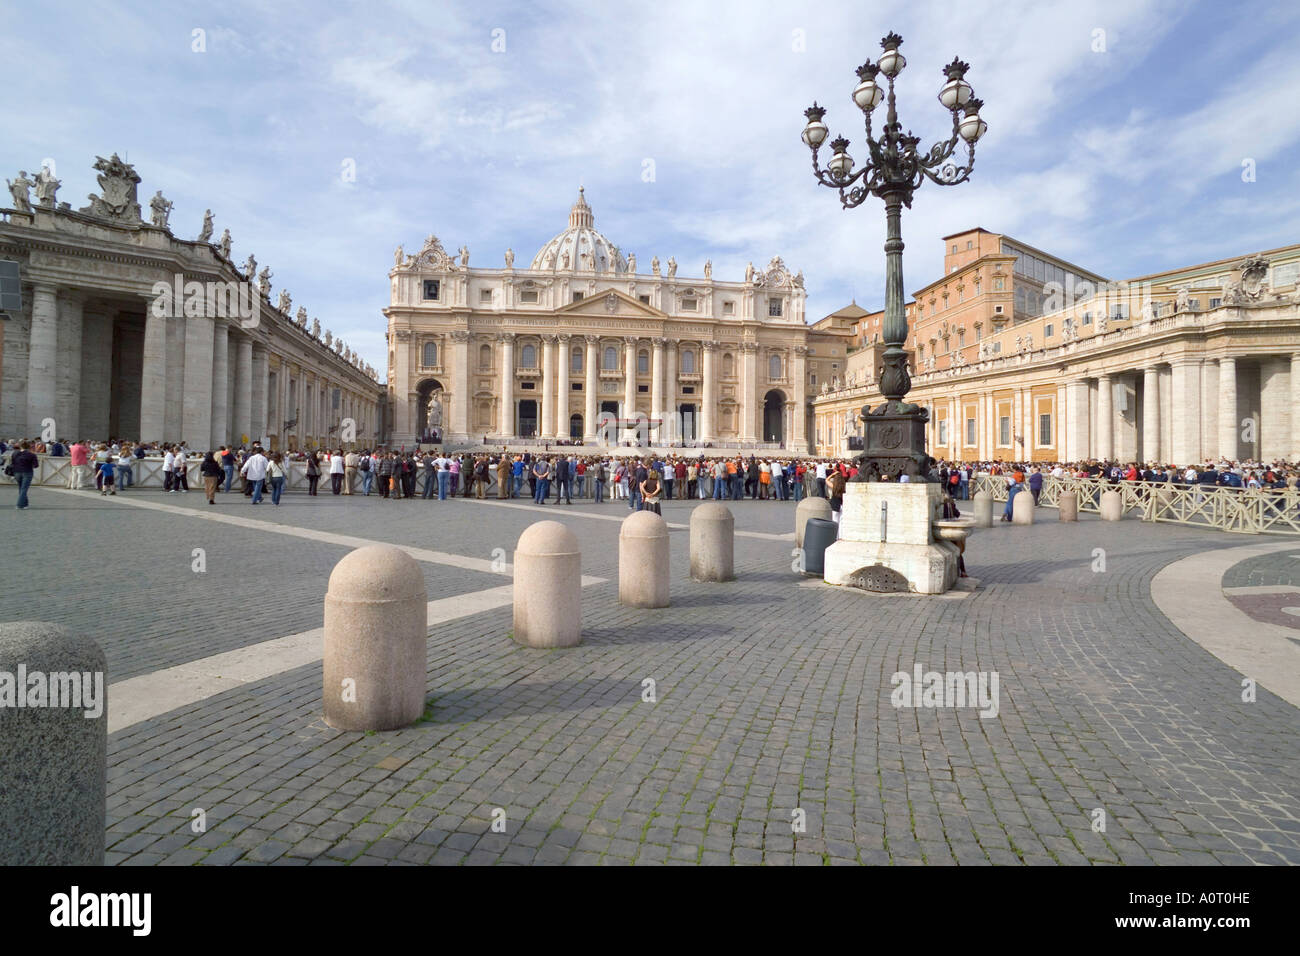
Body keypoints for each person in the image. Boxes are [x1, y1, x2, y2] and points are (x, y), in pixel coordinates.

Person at [9, 440, 39, 509]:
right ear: (29, 446)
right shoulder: (32, 454)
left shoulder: (14, 453)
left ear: (20, 446)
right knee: (24, 489)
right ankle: (20, 505)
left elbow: (13, 462)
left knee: (21, 488)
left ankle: (25, 504)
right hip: (27, 472)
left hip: (16, 472)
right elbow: (36, 465)